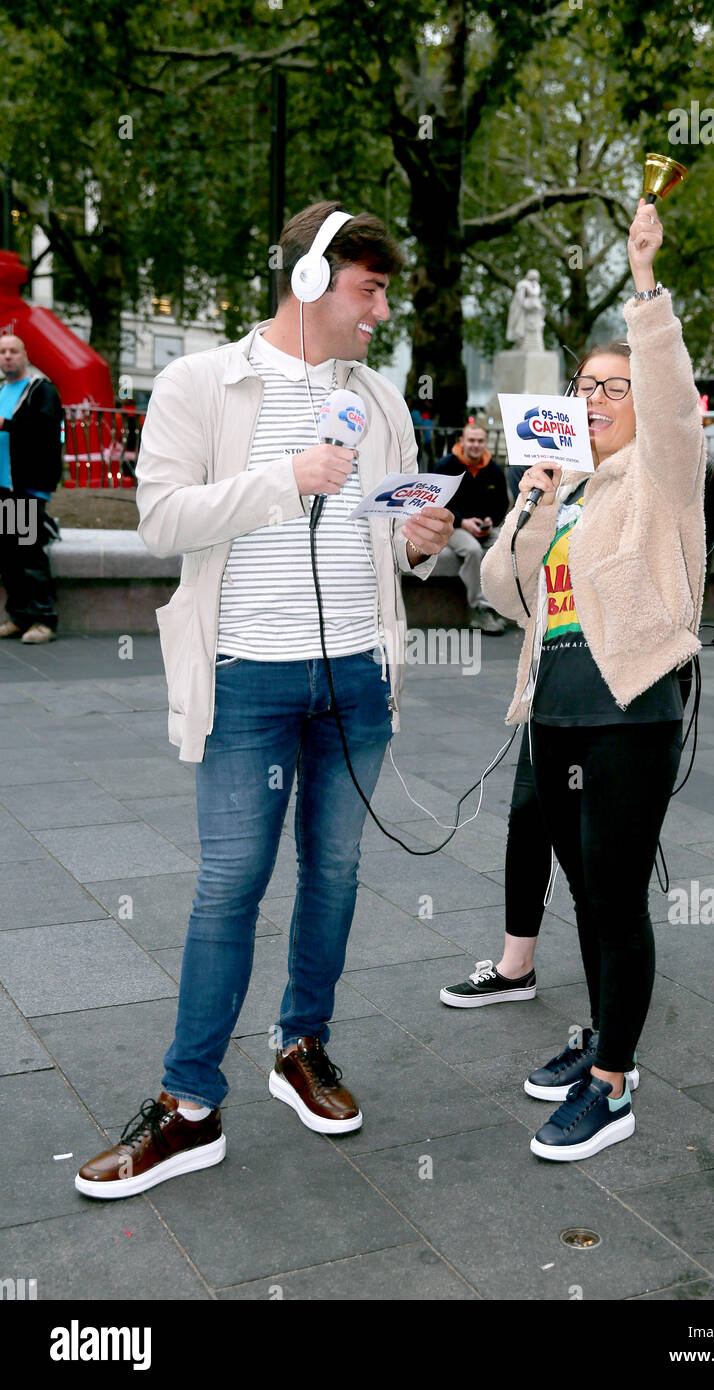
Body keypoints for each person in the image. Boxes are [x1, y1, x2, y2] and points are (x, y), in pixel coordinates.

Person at [75, 201, 454, 1199]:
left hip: (356, 678)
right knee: (229, 885)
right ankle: (187, 1105)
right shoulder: (202, 383)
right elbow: (159, 518)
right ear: (311, 281)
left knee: (332, 873)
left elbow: (386, 531)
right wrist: (281, 479)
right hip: (246, 676)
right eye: (368, 290)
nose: (379, 311)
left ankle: (302, 1046)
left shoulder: (375, 397)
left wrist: (417, 546)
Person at [467, 198, 707, 1162]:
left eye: (614, 387)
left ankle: (613, 1085)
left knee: (615, 895)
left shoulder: (661, 476)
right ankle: (609, 1039)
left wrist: (645, 284)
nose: (598, 399)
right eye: (586, 387)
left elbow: (667, 382)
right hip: (556, 714)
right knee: (585, 888)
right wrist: (529, 505)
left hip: (628, 713)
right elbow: (502, 592)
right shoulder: (566, 491)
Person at [0, 334, 63, 644]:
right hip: (3, 488)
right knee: (9, 557)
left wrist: (7, 424)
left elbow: (45, 427)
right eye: (2, 352)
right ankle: (19, 617)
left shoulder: (40, 389)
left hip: (24, 488)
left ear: (25, 355)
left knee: (27, 554)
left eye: (13, 351)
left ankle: (42, 620)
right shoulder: (1, 390)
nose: (8, 356)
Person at [434, 419, 510, 634]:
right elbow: (437, 502)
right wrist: (462, 522)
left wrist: (489, 521)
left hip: (483, 528)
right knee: (473, 551)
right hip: (452, 527)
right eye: (471, 440)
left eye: (479, 441)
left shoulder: (493, 469)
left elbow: (501, 504)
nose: (475, 445)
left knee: (505, 547)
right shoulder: (446, 466)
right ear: (462, 441)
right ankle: (480, 610)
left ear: (485, 442)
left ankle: (501, 605)